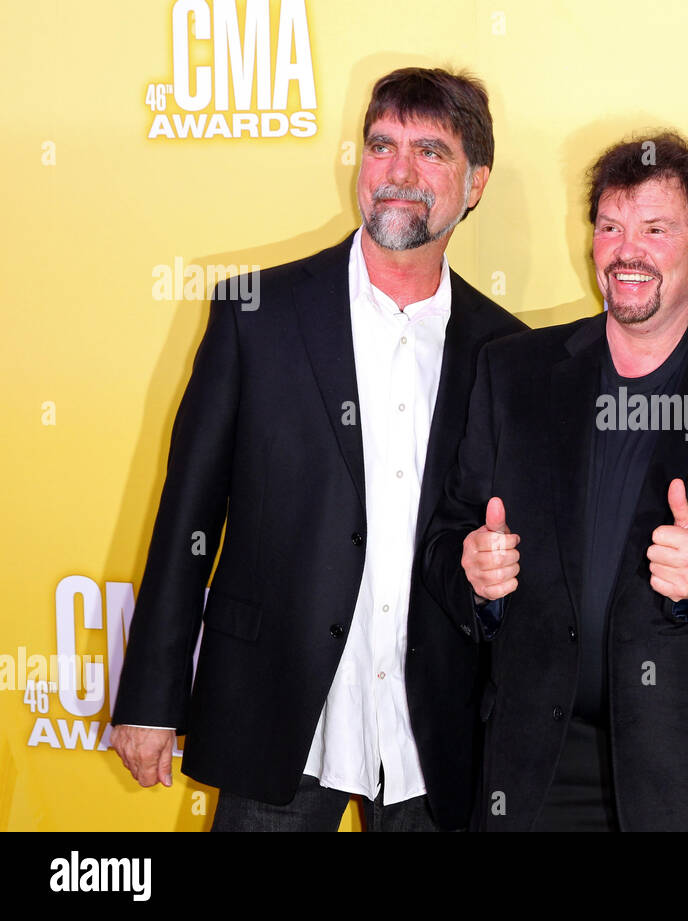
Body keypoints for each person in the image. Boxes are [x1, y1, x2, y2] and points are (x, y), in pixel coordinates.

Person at [109, 67, 525, 831]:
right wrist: (148, 699)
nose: (399, 172)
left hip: (439, 735)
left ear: (475, 183)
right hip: (281, 715)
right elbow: (187, 517)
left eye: (431, 150)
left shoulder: (507, 352)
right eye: (381, 145)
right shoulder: (256, 314)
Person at [420, 131, 688, 831]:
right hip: (538, 775)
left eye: (655, 229)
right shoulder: (513, 373)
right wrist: (471, 572)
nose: (626, 249)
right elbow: (447, 535)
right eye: (609, 226)